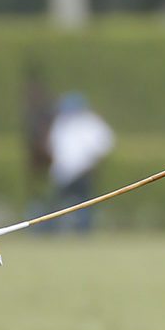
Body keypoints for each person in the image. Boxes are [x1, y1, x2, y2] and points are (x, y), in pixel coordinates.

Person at [44, 91, 115, 232]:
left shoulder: (90, 123)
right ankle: (51, 231)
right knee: (56, 204)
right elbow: (53, 147)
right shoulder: (61, 123)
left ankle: (83, 232)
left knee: (84, 204)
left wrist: (93, 164)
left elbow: (104, 144)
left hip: (84, 172)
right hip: (62, 173)